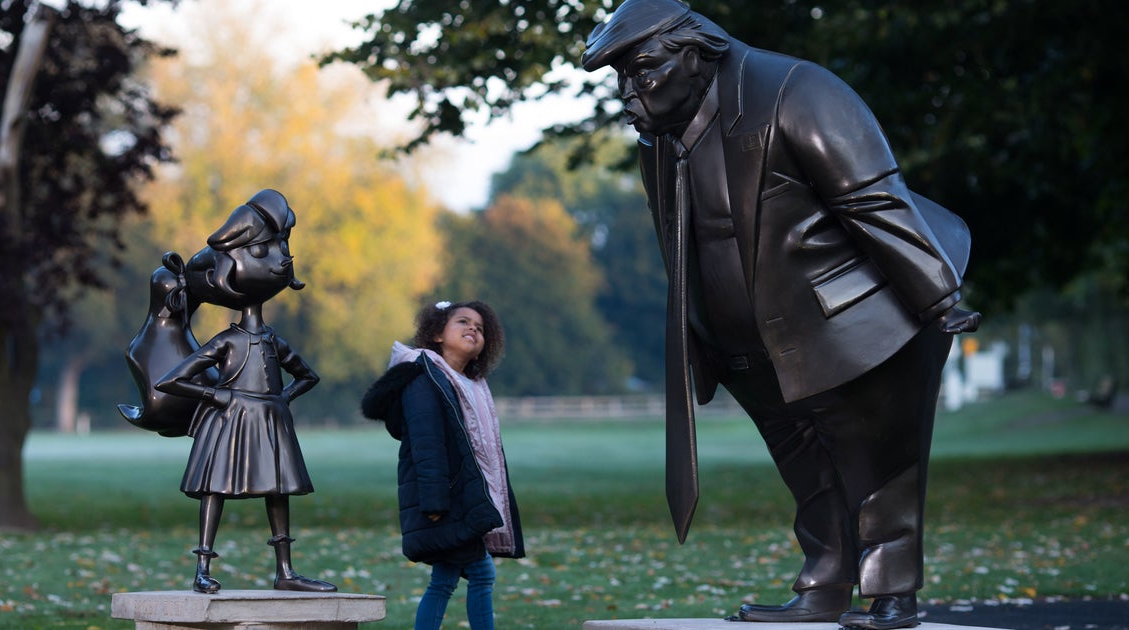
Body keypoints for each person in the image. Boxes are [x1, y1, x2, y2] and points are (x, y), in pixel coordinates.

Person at [580, 1, 981, 629]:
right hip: (748, 341)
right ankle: (825, 582)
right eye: (620, 80)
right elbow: (679, 239)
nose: (630, 93)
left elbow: (874, 199)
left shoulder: (798, 91)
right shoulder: (658, 138)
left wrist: (938, 297)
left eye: (643, 71)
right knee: (806, 466)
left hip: (854, 321)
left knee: (878, 462)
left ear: (693, 52)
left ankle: (892, 593)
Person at [150, 189, 336, 594]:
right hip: (231, 419)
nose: (282, 259)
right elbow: (171, 380)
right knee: (215, 487)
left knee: (278, 487)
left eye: (281, 246)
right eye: (264, 249)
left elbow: (308, 375)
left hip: (269, 421)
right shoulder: (227, 342)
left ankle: (285, 570)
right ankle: (203, 567)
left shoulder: (272, 340)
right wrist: (220, 398)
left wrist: (281, 399)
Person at [361, 300, 525, 630]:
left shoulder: (469, 384)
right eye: (462, 322)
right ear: (436, 334)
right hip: (445, 498)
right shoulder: (425, 378)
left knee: (446, 577)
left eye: (479, 328)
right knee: (481, 572)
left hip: (462, 495)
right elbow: (427, 443)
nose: (473, 330)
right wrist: (435, 501)